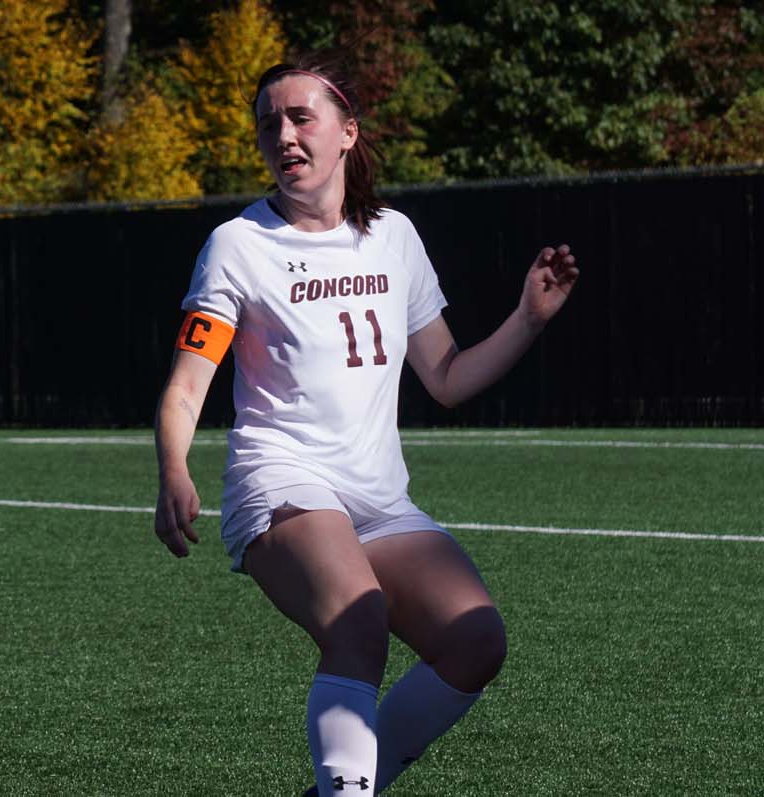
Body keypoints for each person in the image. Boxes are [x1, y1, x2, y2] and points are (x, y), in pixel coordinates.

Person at [152, 58, 579, 796]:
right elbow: (187, 387)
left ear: (348, 132)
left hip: (377, 498)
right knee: (359, 621)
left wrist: (528, 320)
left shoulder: (394, 237)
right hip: (281, 481)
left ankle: (345, 786)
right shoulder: (237, 246)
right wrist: (174, 470)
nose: (282, 135)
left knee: (476, 640)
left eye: (300, 117)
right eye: (267, 124)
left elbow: (446, 378)